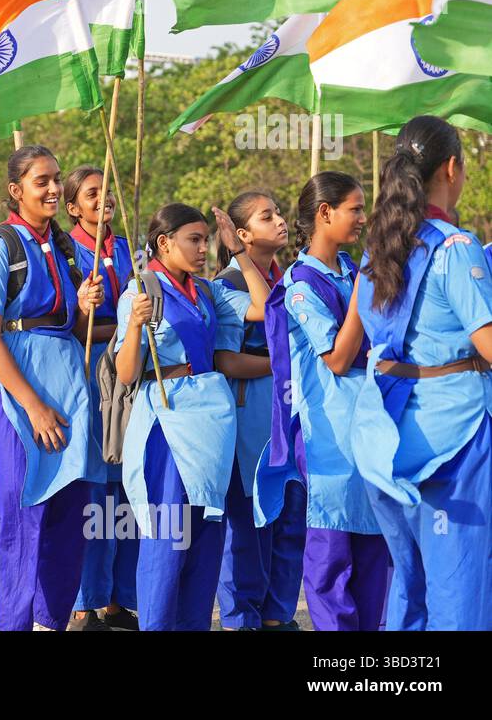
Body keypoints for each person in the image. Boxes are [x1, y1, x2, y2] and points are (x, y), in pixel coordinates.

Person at [352, 115, 492, 631]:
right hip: (455, 434)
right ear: (452, 168)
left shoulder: (380, 249)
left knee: (409, 584)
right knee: (459, 579)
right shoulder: (455, 248)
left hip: (385, 433)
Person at [114, 203, 268, 631]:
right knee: (167, 540)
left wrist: (237, 252)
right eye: (194, 240)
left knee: (205, 540)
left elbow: (265, 305)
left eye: (206, 239)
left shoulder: (209, 291)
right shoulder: (141, 292)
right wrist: (132, 328)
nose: (203, 248)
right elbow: (126, 373)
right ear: (164, 243)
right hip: (167, 424)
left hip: (210, 428)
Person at [0, 146, 105, 631]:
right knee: (23, 523)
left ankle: (52, 622)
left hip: (70, 391)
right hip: (22, 401)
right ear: (16, 191)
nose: (52, 189)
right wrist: (33, 407)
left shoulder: (66, 247)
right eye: (41, 181)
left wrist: (84, 306)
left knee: (68, 522)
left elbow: (65, 323)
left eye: (56, 179)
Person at [258, 171, 387, 631]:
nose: (363, 217)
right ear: (325, 213)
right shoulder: (300, 283)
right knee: (332, 554)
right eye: (355, 208)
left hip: (369, 426)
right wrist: (363, 291)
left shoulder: (353, 269)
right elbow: (336, 357)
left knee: (376, 549)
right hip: (328, 432)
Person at [212, 191, 306, 631]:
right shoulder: (227, 284)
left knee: (289, 516)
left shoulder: (289, 277)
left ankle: (278, 615)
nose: (281, 221)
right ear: (242, 235)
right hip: (250, 412)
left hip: (288, 409)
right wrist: (284, 363)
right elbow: (227, 359)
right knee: (250, 520)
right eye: (267, 217)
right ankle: (240, 618)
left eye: (279, 213)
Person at [62, 164, 139, 631]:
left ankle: (118, 598)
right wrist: (80, 306)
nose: (103, 198)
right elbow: (64, 325)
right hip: (89, 375)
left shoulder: (130, 246)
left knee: (126, 487)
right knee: (91, 488)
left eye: (107, 191)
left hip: (128, 375)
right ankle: (82, 601)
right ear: (73, 206)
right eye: (92, 193)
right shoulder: (64, 252)